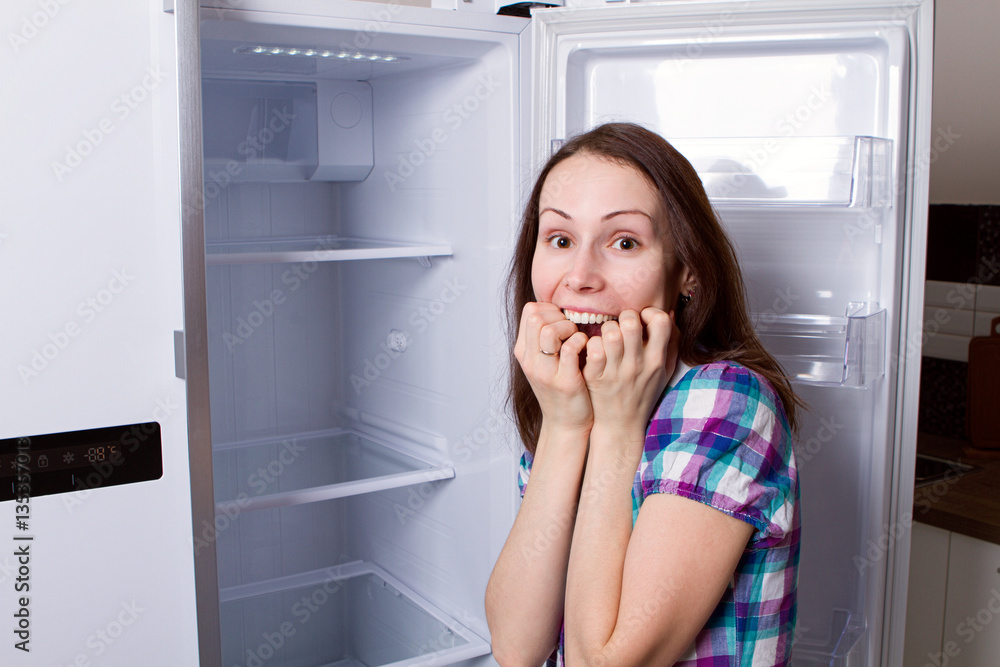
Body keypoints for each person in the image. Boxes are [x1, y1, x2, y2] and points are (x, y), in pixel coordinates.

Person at [484, 123, 801, 666]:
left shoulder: (725, 400)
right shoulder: (571, 397)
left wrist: (615, 428)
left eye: (624, 242)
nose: (579, 276)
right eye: (560, 240)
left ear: (689, 273)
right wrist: (565, 427)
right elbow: (516, 649)